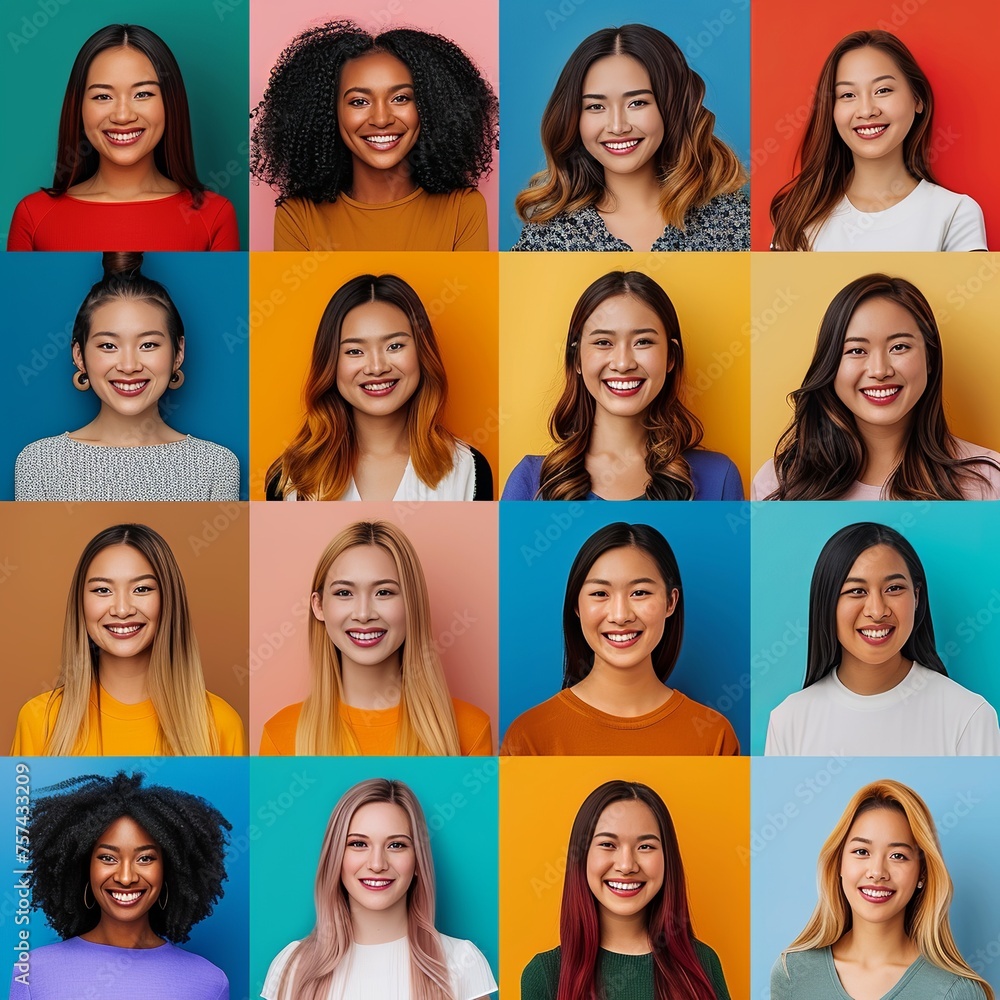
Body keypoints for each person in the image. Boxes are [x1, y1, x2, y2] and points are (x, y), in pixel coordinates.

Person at [251, 21, 498, 251]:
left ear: (430, 106)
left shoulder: (463, 209)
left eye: (400, 98)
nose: (381, 119)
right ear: (328, 113)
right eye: (359, 101)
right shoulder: (297, 217)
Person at [14, 251, 240, 501]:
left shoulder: (215, 467)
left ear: (178, 353)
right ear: (79, 356)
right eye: (108, 346)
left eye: (148, 345)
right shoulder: (39, 464)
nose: (129, 365)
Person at [752, 274, 1000, 500]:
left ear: (930, 359)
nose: (880, 371)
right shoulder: (779, 482)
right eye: (857, 350)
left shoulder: (990, 481)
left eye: (899, 347)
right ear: (831, 366)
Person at [501, 522, 739, 755]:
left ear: (670, 602)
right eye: (600, 594)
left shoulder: (715, 736)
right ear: (577, 605)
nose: (620, 616)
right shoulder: (528, 736)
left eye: (640, 593)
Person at [502, 271, 742, 500]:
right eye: (604, 342)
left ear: (671, 357)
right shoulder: (531, 481)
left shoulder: (719, 477)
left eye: (643, 341)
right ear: (576, 359)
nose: (623, 363)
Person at [765, 522, 1000, 756]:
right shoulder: (788, 721)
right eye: (856, 591)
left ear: (916, 597)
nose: (877, 612)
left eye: (893, 588)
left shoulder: (970, 717)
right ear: (827, 603)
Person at [10, 523, 245, 756]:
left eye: (142, 589)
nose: (122, 610)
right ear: (80, 604)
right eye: (102, 590)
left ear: (168, 600)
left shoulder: (221, 724)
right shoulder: (39, 720)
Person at [259, 521, 492, 756]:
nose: (363, 614)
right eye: (344, 593)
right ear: (318, 606)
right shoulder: (280, 735)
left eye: (384, 592)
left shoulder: (471, 730)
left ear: (413, 602)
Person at [512, 24, 748, 252]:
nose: (617, 126)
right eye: (595, 106)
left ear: (670, 109)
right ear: (574, 118)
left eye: (637, 103)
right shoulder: (546, 238)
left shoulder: (735, 220)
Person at [7, 24, 239, 251]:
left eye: (143, 94)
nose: (122, 115)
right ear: (78, 107)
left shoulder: (214, 215)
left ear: (170, 103)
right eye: (102, 96)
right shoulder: (33, 215)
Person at [262, 778, 496, 1000]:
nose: (377, 864)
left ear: (417, 862)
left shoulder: (461, 960)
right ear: (335, 858)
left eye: (396, 845)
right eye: (358, 844)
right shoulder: (291, 965)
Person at [265, 273, 492, 501]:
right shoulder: (288, 478)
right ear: (331, 363)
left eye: (394, 346)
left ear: (422, 353)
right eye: (354, 351)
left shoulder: (469, 469)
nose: (376, 367)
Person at [8, 771, 231, 1000]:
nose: (126, 878)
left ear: (170, 870)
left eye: (145, 858)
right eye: (108, 858)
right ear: (85, 867)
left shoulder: (209, 983)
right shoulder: (32, 973)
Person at [771, 780, 992, 999]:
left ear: (922, 874)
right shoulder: (793, 976)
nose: (877, 872)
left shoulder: (957, 991)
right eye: (861, 851)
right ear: (839, 863)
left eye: (898, 856)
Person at [769, 30, 986, 251]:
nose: (866, 110)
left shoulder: (955, 213)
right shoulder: (798, 213)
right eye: (847, 95)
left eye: (883, 90)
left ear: (917, 99)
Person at [521, 780, 730, 1000]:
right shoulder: (544, 975)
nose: (626, 865)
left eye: (645, 846)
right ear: (581, 857)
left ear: (667, 858)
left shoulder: (703, 963)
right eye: (608, 844)